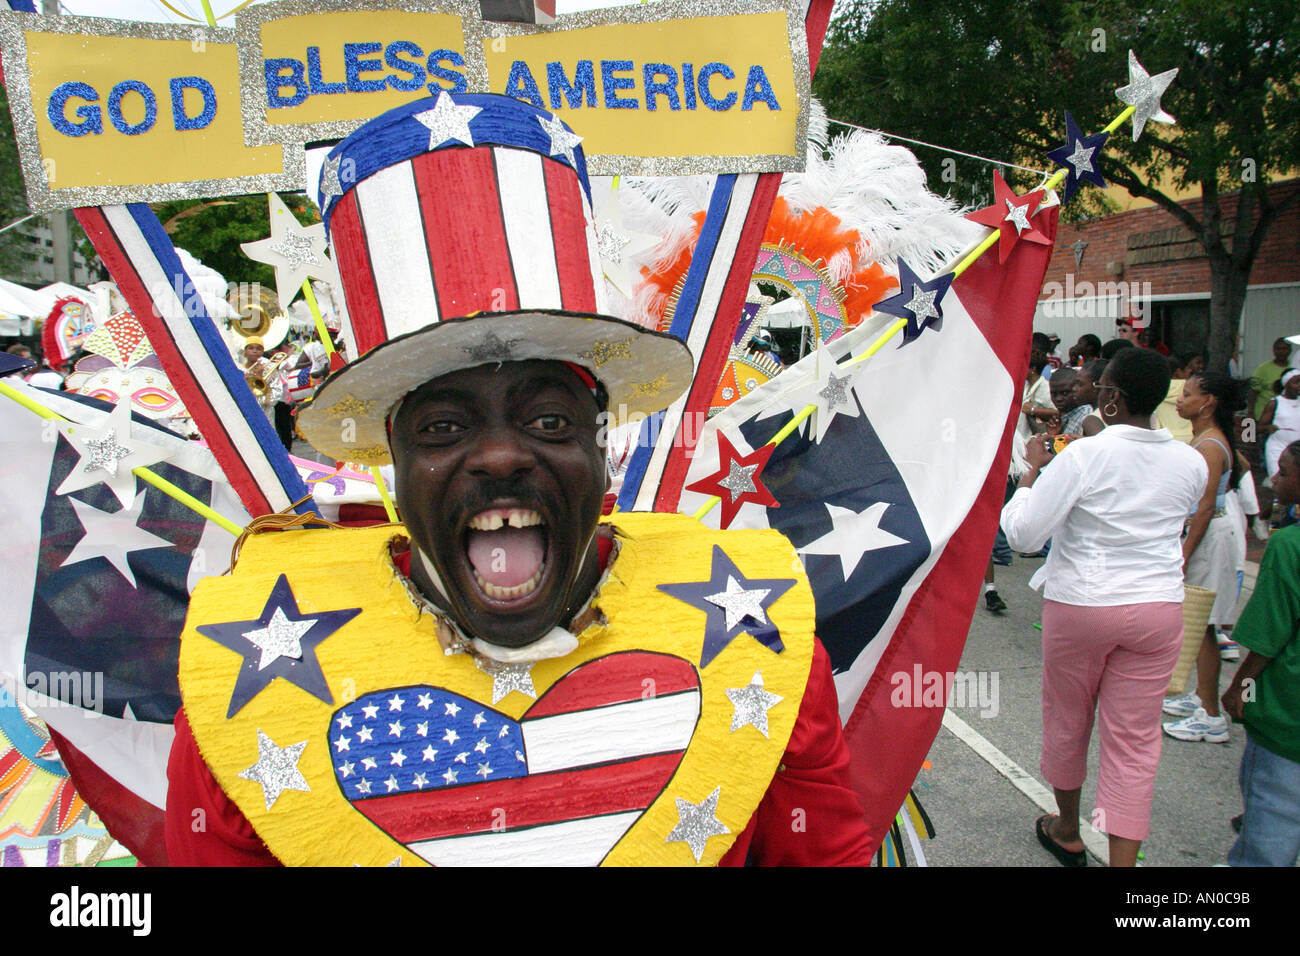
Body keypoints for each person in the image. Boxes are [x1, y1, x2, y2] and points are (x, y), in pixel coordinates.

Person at [163, 93, 873, 867]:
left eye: (546, 422)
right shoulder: (249, 689)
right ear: (391, 468)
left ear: (603, 452)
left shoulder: (758, 646)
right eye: (442, 428)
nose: (501, 458)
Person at [1000, 347, 1206, 866]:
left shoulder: (1085, 456)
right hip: (1158, 607)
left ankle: (1068, 830)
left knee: (1069, 719)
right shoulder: (1191, 460)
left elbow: (1024, 535)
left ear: (1111, 397)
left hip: (1085, 604)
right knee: (1134, 743)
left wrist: (1031, 475)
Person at [1220, 440, 1300, 866]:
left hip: (1289, 718)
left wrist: (1239, 692)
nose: (1274, 480)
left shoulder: (1289, 546)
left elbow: (1268, 639)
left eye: (1284, 472)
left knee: (1272, 821)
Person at [1162, 371, 1247, 743]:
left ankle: (1211, 715)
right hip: (1209, 534)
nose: (1179, 401)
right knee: (1199, 623)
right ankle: (1200, 695)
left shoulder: (1211, 445)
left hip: (1210, 536)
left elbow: (1205, 506)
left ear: (1208, 402)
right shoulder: (1207, 439)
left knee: (1206, 625)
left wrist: (1183, 554)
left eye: (1188, 394)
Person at [1259, 368, 1300, 483]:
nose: (1299, 386)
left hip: (1297, 450)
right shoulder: (1275, 403)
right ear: (1286, 384)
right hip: (1277, 448)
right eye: (1296, 383)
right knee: (1279, 480)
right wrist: (1268, 428)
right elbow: (1257, 428)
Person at [1249, 338, 1293, 421]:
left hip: (1286, 415)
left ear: (1290, 350)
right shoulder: (1262, 369)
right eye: (1278, 349)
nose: (1281, 352)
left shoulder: (1294, 367)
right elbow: (1253, 391)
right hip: (1263, 415)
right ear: (1273, 350)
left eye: (1284, 349)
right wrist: (1250, 412)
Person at [1073, 359, 1108, 437]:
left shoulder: (1093, 420)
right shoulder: (1112, 413)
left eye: (1080, 384)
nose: (1074, 389)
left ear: (1097, 386)